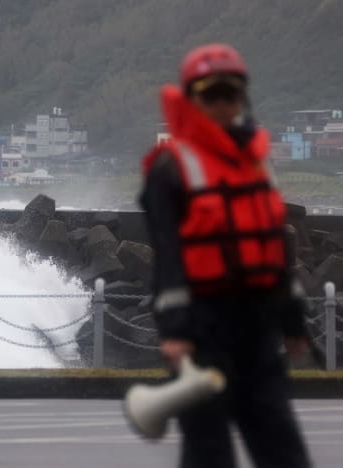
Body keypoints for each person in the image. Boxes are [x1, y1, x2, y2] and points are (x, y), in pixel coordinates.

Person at [139, 43, 312, 468]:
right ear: (191, 99)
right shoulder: (171, 168)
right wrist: (175, 332)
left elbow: (276, 246)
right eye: (210, 93)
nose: (221, 103)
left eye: (229, 93)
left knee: (283, 449)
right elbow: (169, 256)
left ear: (242, 98)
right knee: (208, 454)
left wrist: (292, 321)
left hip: (258, 332)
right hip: (202, 333)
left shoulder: (256, 162)